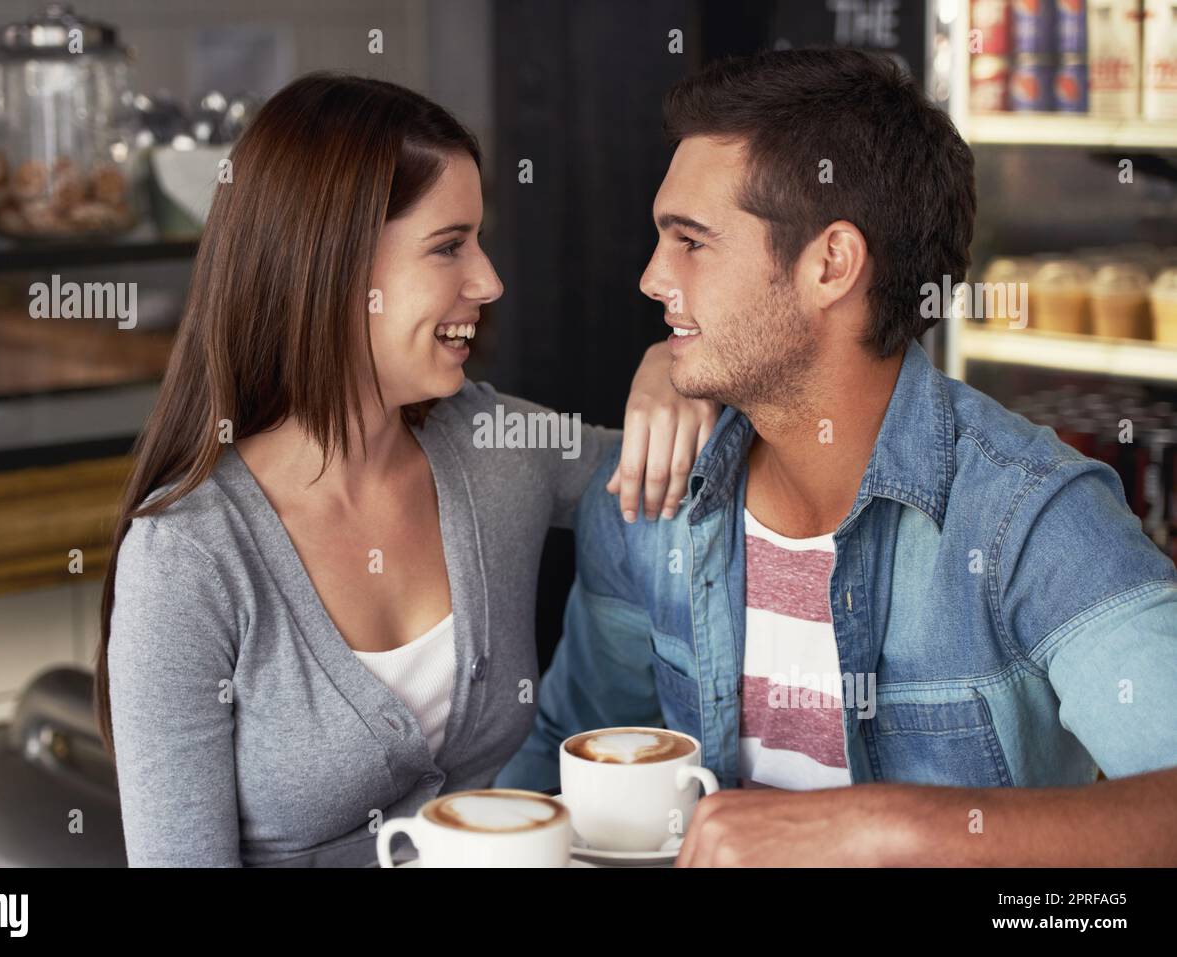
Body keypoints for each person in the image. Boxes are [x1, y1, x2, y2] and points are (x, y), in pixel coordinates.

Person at [495, 49, 1177, 866]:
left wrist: (875, 827)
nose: (650, 277)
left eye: (692, 243)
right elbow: (572, 757)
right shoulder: (653, 494)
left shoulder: (1028, 516)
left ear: (831, 263)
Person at [94, 73, 716, 867]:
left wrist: (668, 366)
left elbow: (670, 466)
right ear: (334, 265)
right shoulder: (186, 557)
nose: (489, 282)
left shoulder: (492, 448)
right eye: (449, 245)